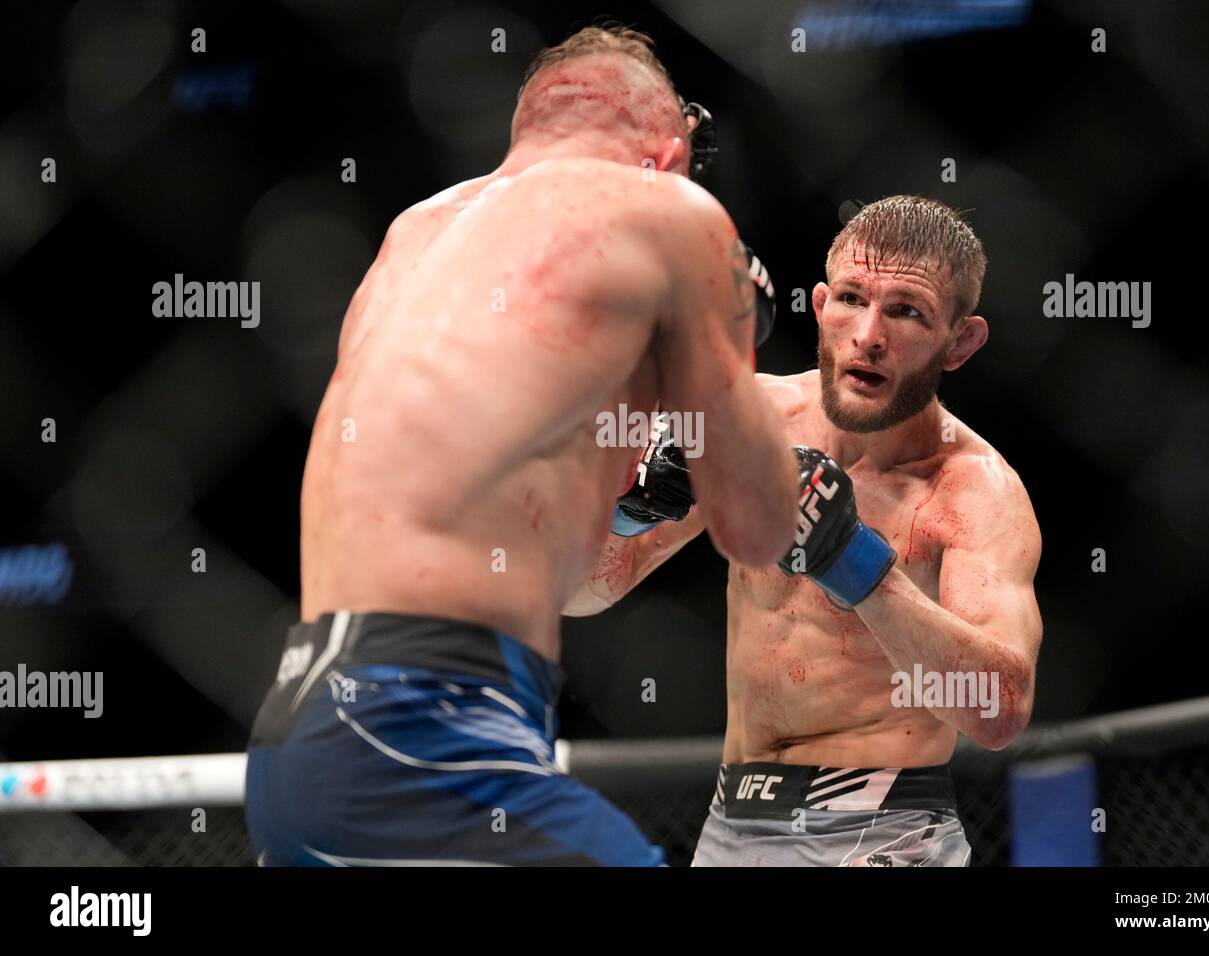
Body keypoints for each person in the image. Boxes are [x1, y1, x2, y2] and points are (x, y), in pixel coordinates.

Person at [244, 23, 798, 867]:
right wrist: (733, 332)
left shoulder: (411, 240)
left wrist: (642, 501)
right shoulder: (669, 211)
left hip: (309, 722)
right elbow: (759, 527)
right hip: (422, 723)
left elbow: (552, 575)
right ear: (670, 150)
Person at [568, 196, 1043, 866]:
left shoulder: (973, 492)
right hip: (732, 825)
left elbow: (1000, 711)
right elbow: (583, 595)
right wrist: (628, 506)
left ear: (959, 341)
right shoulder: (749, 420)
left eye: (907, 311)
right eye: (852, 298)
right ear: (820, 307)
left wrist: (851, 563)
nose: (869, 334)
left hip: (881, 833)